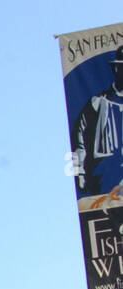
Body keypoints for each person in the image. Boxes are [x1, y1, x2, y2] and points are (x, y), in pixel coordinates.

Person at [73, 47, 123, 198]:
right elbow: (79, 138)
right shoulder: (97, 103)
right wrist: (79, 171)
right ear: (115, 69)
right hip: (106, 177)